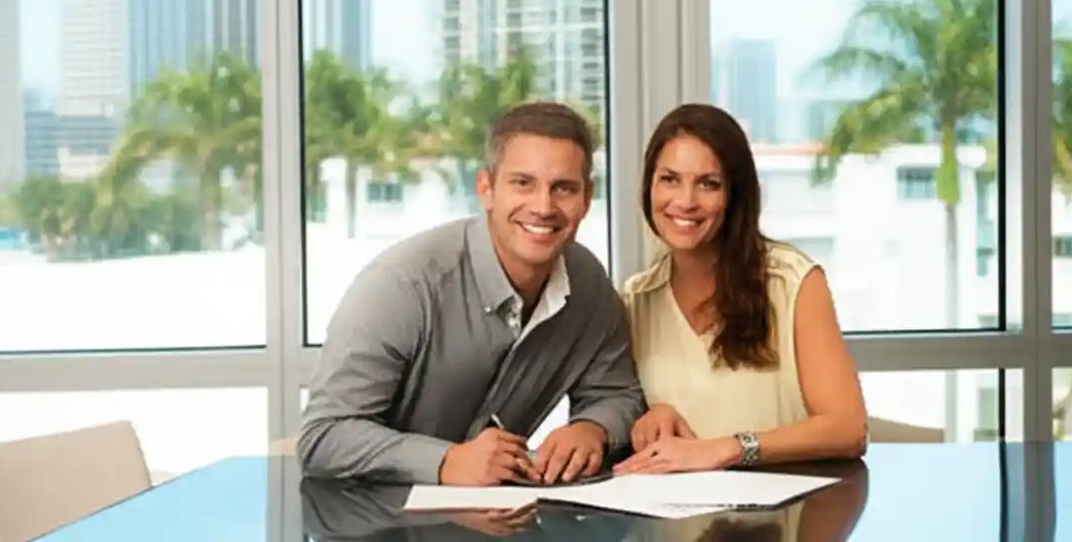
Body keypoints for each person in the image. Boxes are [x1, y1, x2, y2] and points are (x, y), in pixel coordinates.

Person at [298, 101, 645, 486]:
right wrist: (446, 461)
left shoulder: (587, 283)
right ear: (486, 189)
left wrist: (592, 427)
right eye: (523, 183)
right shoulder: (403, 286)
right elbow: (323, 436)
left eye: (563, 188)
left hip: (497, 511)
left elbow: (619, 394)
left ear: (587, 198)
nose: (543, 207)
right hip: (370, 511)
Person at [613, 103, 868, 476]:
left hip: (788, 508)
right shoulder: (635, 299)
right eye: (669, 179)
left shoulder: (793, 281)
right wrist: (653, 417)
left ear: (735, 194)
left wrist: (727, 449)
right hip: (678, 509)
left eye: (708, 184)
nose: (685, 201)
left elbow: (847, 429)